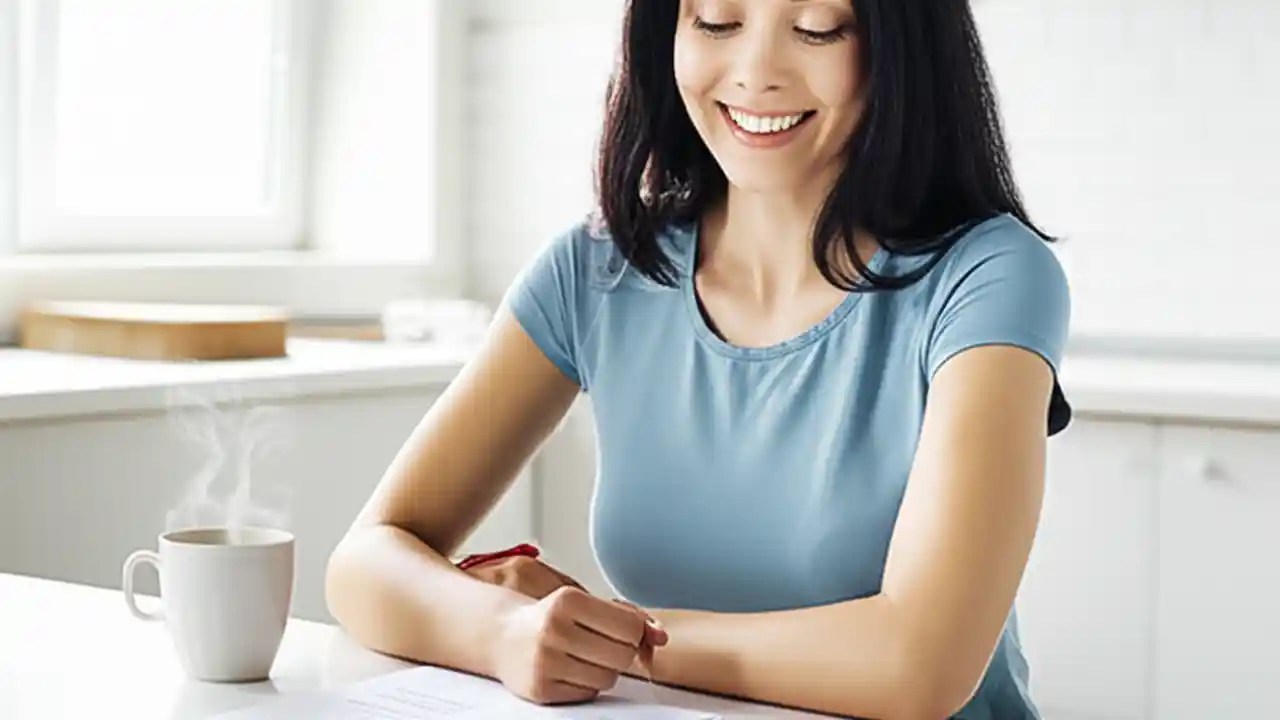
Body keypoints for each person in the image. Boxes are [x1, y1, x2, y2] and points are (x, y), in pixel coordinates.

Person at [326, 0, 1071, 717]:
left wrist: (614, 640)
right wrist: (504, 631)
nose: (755, 72)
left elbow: (921, 668)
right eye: (716, 20)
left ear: (900, 45)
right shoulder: (597, 271)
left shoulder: (990, 276)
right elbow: (365, 565)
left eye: (817, 29)